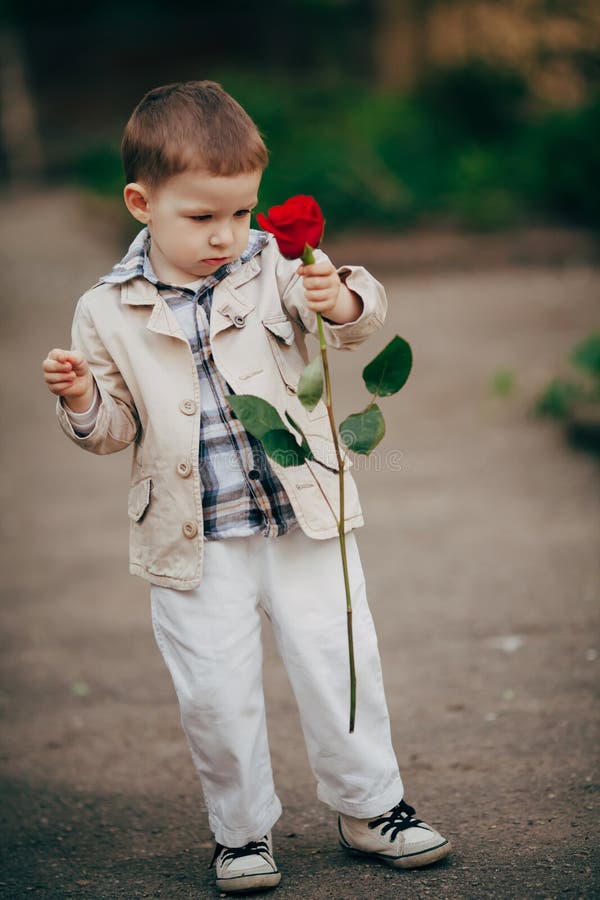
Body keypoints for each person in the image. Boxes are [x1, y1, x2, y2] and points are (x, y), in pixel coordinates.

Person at [42, 81, 451, 894]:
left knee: (339, 660)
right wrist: (83, 399)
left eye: (242, 212)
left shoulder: (274, 265)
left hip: (303, 515)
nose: (227, 234)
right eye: (201, 216)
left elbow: (349, 320)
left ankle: (371, 807)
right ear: (141, 203)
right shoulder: (106, 309)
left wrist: (341, 297)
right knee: (215, 691)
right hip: (194, 539)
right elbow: (116, 429)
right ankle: (240, 833)